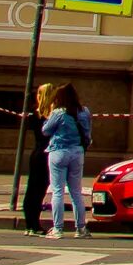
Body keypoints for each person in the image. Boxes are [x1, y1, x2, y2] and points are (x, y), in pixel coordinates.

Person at [39, 84, 94, 239]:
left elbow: (45, 130)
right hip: (77, 152)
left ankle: (58, 228)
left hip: (59, 151)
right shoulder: (84, 112)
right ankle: (81, 228)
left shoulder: (58, 113)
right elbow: (88, 135)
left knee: (58, 191)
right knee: (76, 192)